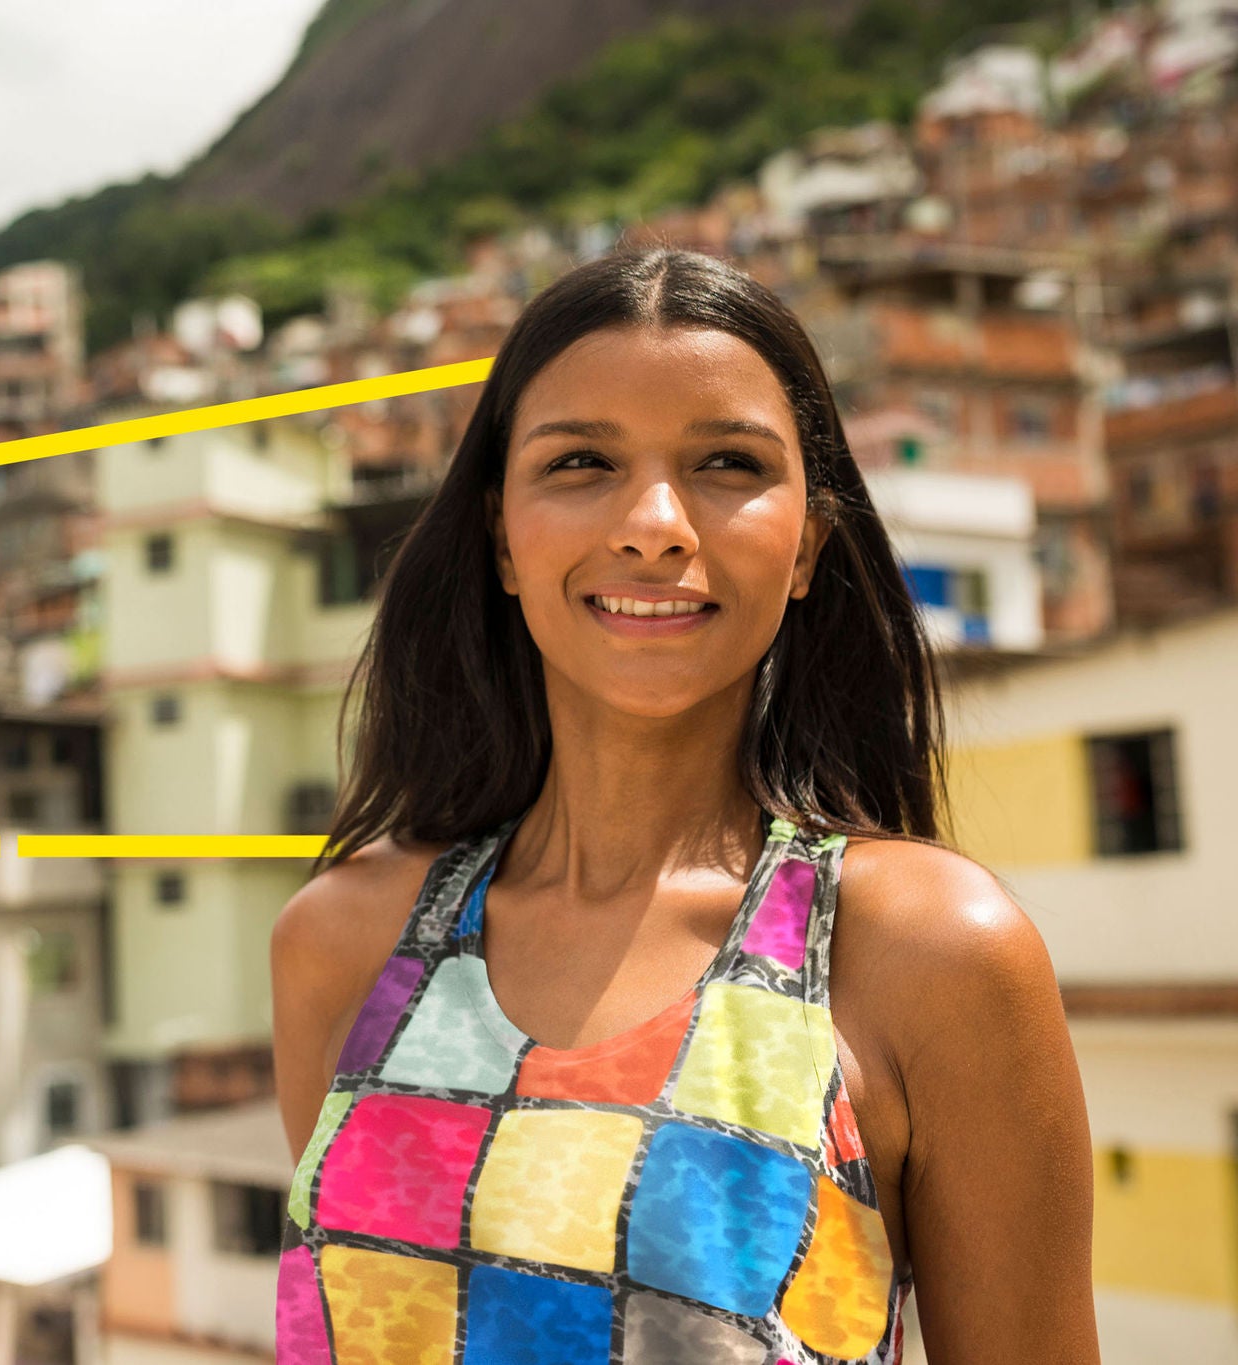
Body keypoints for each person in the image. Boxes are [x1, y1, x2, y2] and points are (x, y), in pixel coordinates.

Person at [269, 244, 1097, 1363]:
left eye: (724, 462)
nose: (654, 523)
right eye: (578, 464)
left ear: (806, 545)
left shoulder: (928, 956)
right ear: (499, 541)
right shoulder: (343, 943)